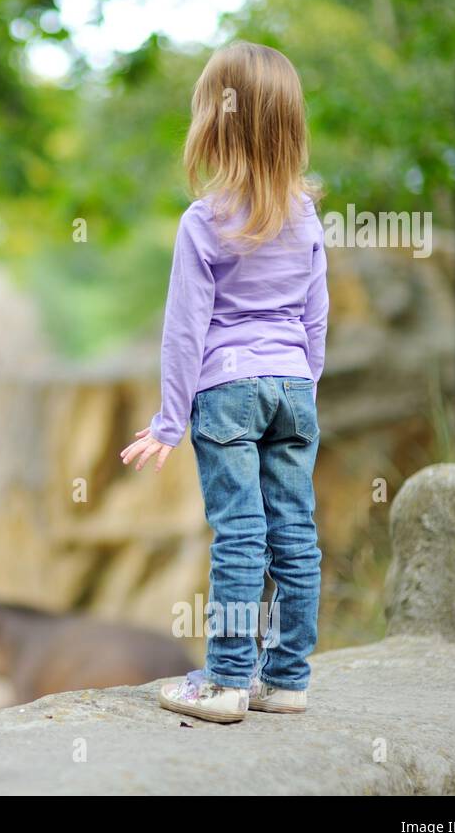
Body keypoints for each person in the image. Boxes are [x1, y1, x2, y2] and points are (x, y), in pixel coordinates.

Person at [120, 42, 328, 725]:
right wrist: (302, 386)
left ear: (214, 124)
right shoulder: (306, 218)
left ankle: (227, 680)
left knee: (239, 535)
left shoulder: (205, 221)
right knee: (295, 532)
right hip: (293, 388)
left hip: (227, 393)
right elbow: (314, 318)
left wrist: (168, 420)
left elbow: (185, 330)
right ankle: (288, 679)